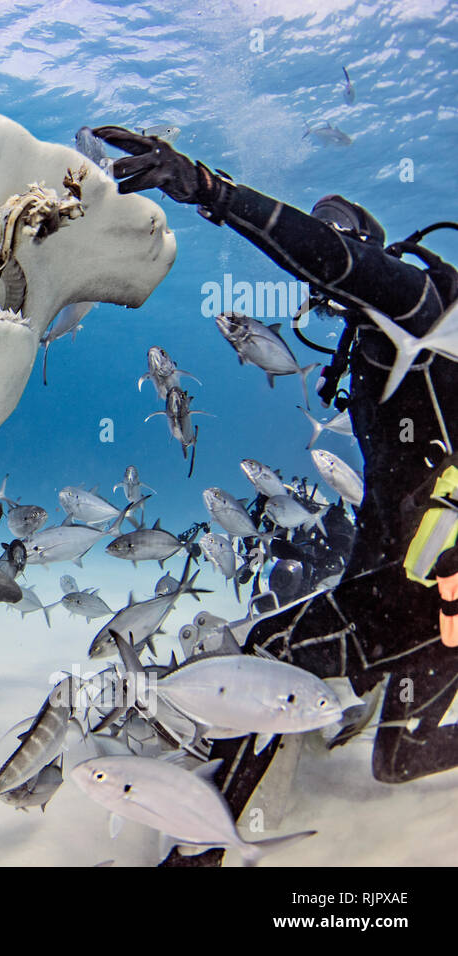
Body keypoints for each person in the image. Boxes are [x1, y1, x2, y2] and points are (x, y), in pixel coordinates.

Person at [91, 127, 458, 864]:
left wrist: (210, 190)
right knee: (396, 761)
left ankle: (201, 851)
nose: (323, 277)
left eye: (337, 244)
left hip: (437, 586)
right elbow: (391, 494)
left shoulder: (423, 304)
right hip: (412, 580)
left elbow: (337, 261)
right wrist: (358, 588)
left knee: (268, 654)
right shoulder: (374, 343)